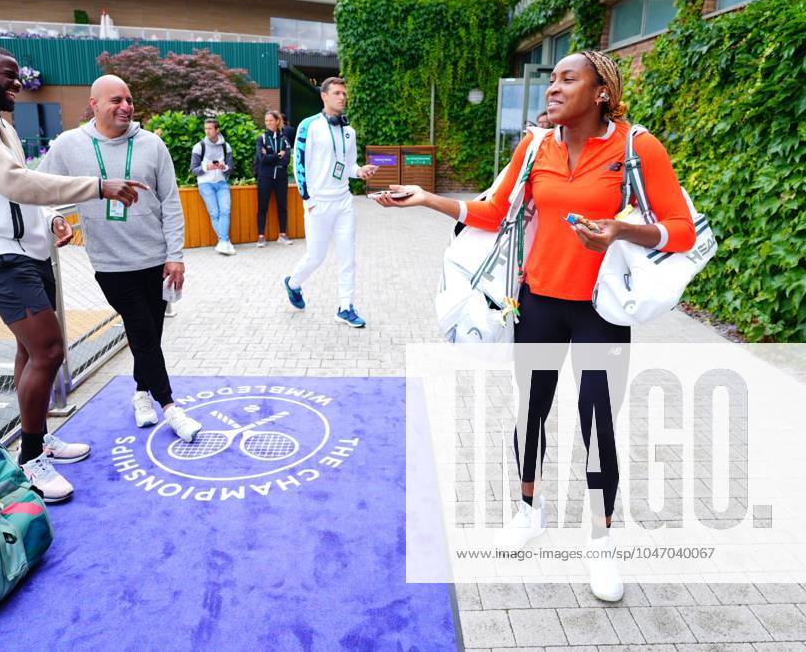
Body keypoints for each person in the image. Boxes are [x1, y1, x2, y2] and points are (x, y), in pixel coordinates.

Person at [374, 51, 696, 601]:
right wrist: (427, 198)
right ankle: (529, 509)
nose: (553, 88)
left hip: (600, 311)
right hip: (538, 302)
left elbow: (680, 230)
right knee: (531, 411)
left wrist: (620, 229)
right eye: (552, 79)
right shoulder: (535, 147)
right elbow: (495, 212)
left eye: (568, 79)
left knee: (598, 423)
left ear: (601, 92)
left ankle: (600, 542)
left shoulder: (637, 148)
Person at [0, 40, 145, 502]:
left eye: (18, 74)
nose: (18, 83)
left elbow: (15, 190)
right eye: (7, 75)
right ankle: (29, 460)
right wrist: (98, 187)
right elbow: (13, 182)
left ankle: (39, 436)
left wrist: (49, 220)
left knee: (31, 352)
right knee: (49, 350)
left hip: (25, 251)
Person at [38, 75, 202, 442]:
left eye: (129, 99)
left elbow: (171, 202)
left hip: (155, 260)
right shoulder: (69, 145)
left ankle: (141, 393)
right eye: (116, 100)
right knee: (142, 331)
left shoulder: (152, 144)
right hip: (110, 263)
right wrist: (55, 218)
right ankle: (170, 407)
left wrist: (175, 255)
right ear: (93, 104)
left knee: (150, 334)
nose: (126, 106)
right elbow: (40, 187)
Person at [283, 77, 377, 328]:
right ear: (324, 96)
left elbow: (349, 165)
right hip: (318, 203)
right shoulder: (309, 126)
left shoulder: (349, 131)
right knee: (316, 257)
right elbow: (299, 165)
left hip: (343, 201)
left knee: (348, 257)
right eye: (337, 93)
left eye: (344, 93)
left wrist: (360, 171)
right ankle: (293, 283)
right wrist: (308, 200)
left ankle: (346, 308)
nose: (342, 97)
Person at [190, 118, 235, 255]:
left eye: (210, 128)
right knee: (215, 213)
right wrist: (206, 167)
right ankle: (225, 241)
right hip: (205, 183)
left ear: (217, 130)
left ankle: (223, 242)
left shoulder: (225, 146)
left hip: (221, 182)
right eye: (206, 128)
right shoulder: (199, 146)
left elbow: (231, 168)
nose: (207, 131)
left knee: (225, 211)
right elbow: (193, 170)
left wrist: (223, 167)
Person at [255, 110, 293, 247]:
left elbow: (286, 160)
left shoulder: (284, 139)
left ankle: (282, 235)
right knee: (262, 206)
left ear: (277, 121)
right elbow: (262, 159)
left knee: (282, 206)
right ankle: (261, 236)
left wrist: (270, 156)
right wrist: (277, 155)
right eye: (266, 121)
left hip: (281, 177)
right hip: (265, 177)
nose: (268, 123)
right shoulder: (262, 138)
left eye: (271, 120)